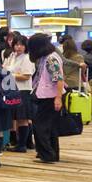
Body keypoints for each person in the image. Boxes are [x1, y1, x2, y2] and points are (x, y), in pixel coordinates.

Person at [28, 33, 65, 164]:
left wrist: (58, 98)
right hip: (48, 95)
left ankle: (47, 154)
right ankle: (52, 153)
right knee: (50, 127)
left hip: (50, 96)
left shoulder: (50, 59)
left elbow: (59, 79)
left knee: (40, 126)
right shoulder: (47, 57)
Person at [3, 34, 35, 153]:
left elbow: (26, 76)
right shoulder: (13, 56)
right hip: (13, 90)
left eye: (21, 44)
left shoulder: (27, 58)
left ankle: (22, 145)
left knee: (23, 118)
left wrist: (11, 75)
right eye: (16, 44)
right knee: (17, 117)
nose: (19, 47)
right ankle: (22, 143)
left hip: (23, 90)